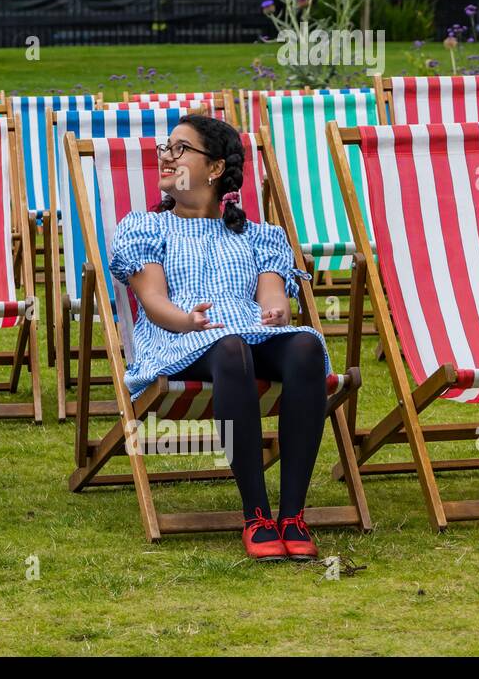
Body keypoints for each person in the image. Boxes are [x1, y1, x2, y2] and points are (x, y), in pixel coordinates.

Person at [108, 114, 329, 561]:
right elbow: (153, 302)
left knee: (305, 345)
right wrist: (187, 320)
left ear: (213, 169)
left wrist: (276, 309)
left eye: (179, 148)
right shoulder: (147, 228)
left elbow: (273, 299)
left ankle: (292, 515)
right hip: (179, 338)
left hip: (249, 335)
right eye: (164, 149)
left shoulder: (259, 235)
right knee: (230, 348)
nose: (166, 157)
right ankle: (256, 515)